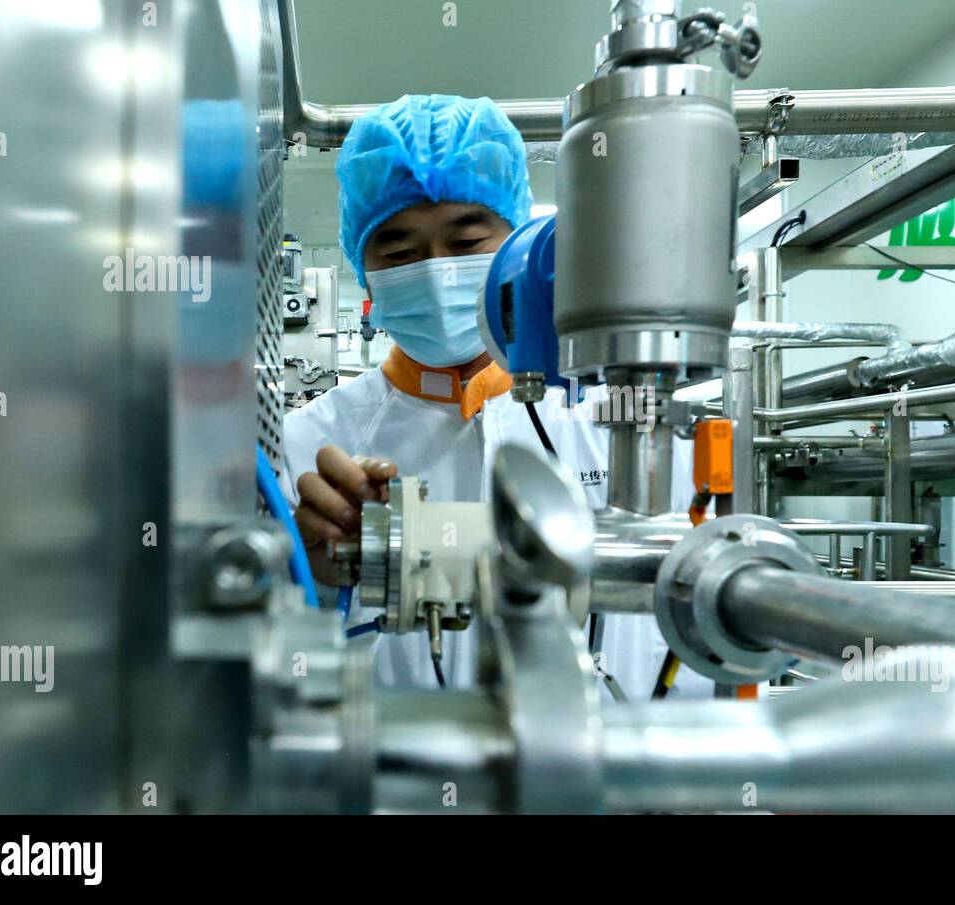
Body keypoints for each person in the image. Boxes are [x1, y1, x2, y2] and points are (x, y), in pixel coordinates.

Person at [281, 94, 708, 696]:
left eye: (465, 243)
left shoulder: (621, 420)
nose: (434, 269)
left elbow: (706, 616)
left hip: (615, 768)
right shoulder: (309, 444)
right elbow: (260, 656)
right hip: (395, 775)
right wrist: (318, 577)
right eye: (400, 251)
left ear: (519, 242)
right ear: (363, 266)